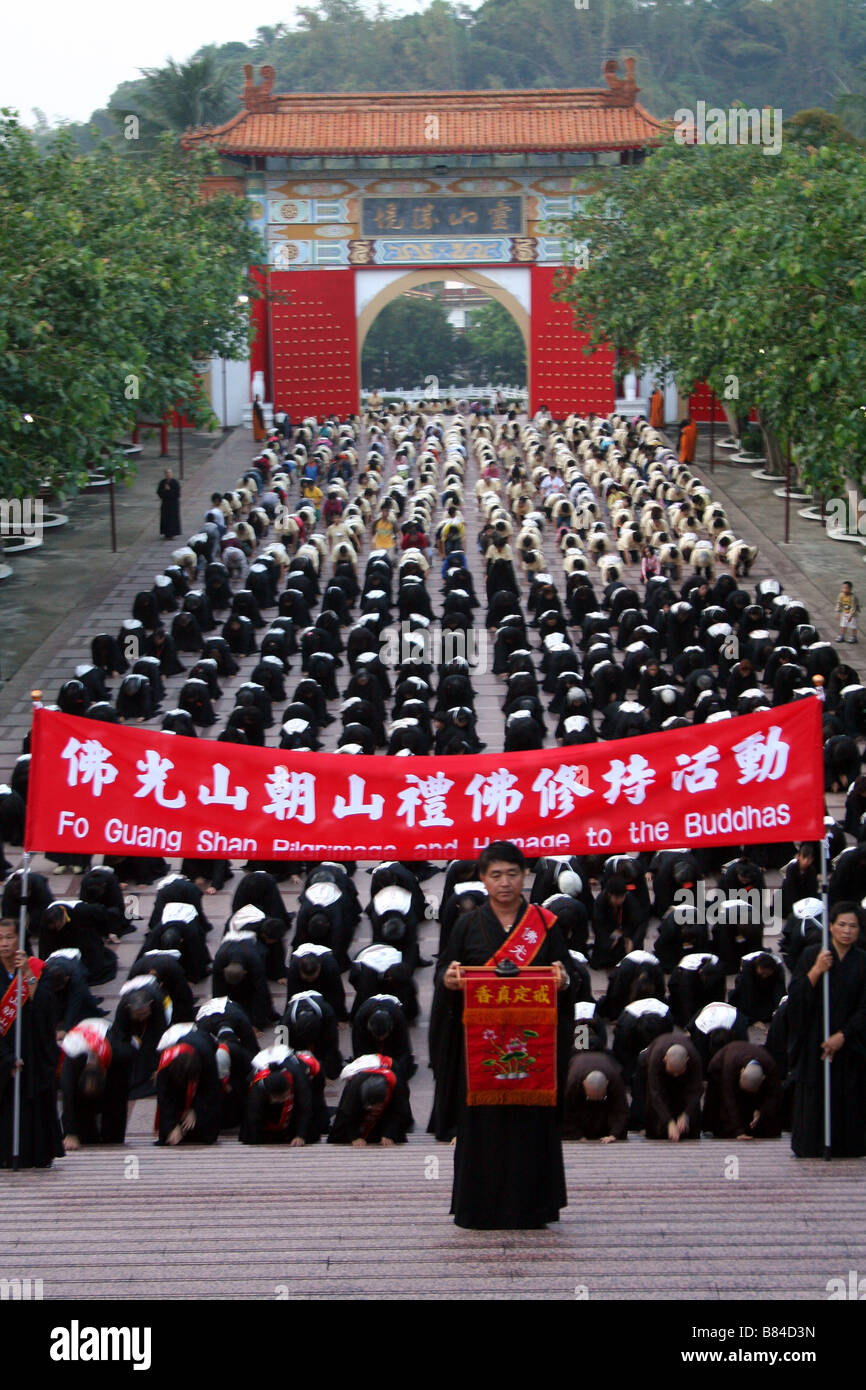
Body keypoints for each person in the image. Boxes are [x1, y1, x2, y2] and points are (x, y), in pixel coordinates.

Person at [430, 841, 574, 1229]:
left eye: (512, 873)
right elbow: (445, 974)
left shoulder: (543, 924)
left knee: (532, 1128)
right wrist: (448, 980)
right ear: (483, 879)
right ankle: (481, 1208)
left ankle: (533, 1209)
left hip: (534, 1050)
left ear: (525, 876)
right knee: (484, 1128)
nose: (505, 882)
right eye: (496, 875)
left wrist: (563, 981)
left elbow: (567, 978)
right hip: (482, 1049)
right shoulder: (466, 924)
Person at [788, 900, 866, 1157]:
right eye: (842, 925)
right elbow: (797, 998)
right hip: (815, 1039)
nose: (847, 931)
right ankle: (812, 1144)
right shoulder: (813, 954)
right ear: (830, 926)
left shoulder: (862, 961)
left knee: (850, 1094)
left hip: (849, 1040)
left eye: (853, 926)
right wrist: (817, 971)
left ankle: (847, 1145)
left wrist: (843, 1035)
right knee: (814, 1095)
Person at [0, 917, 64, 1168]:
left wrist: (27, 975)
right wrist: (6, 1058)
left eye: (9, 937)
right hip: (3, 1051)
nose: (4, 943)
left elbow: (47, 1009)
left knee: (33, 1105)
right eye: (0, 938)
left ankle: (36, 1153)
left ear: (19, 940)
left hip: (33, 1050)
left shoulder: (36, 968)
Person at [702, 1042, 782, 1139]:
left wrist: (762, 1110)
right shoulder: (729, 1066)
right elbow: (729, 1099)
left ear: (763, 1078)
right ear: (742, 1071)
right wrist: (738, 1131)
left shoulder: (771, 1067)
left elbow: (774, 1095)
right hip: (721, 1066)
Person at [641, 1034, 703, 1141]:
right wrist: (668, 1122)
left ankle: (687, 1131)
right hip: (658, 1071)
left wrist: (686, 1114)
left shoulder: (695, 1058)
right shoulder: (656, 1058)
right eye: (672, 1072)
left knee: (689, 1107)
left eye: (679, 1072)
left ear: (687, 1060)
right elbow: (656, 1093)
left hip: (685, 1080)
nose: (676, 1075)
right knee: (656, 1103)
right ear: (665, 1059)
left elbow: (696, 1090)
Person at [562, 1052, 629, 1142]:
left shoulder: (616, 1080)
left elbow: (621, 1109)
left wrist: (614, 1134)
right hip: (578, 1063)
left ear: (607, 1083)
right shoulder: (573, 1082)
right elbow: (566, 1110)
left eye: (600, 1096)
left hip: (607, 1064)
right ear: (584, 1083)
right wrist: (576, 1135)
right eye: (590, 1096)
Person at [157, 468, 181, 540]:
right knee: (165, 519)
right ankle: (166, 533)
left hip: (173, 504)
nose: (168, 475)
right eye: (167, 473)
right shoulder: (162, 482)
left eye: (169, 473)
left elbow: (177, 494)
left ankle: (172, 534)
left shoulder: (175, 482)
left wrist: (169, 490)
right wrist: (164, 490)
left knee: (173, 519)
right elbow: (159, 492)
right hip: (165, 504)